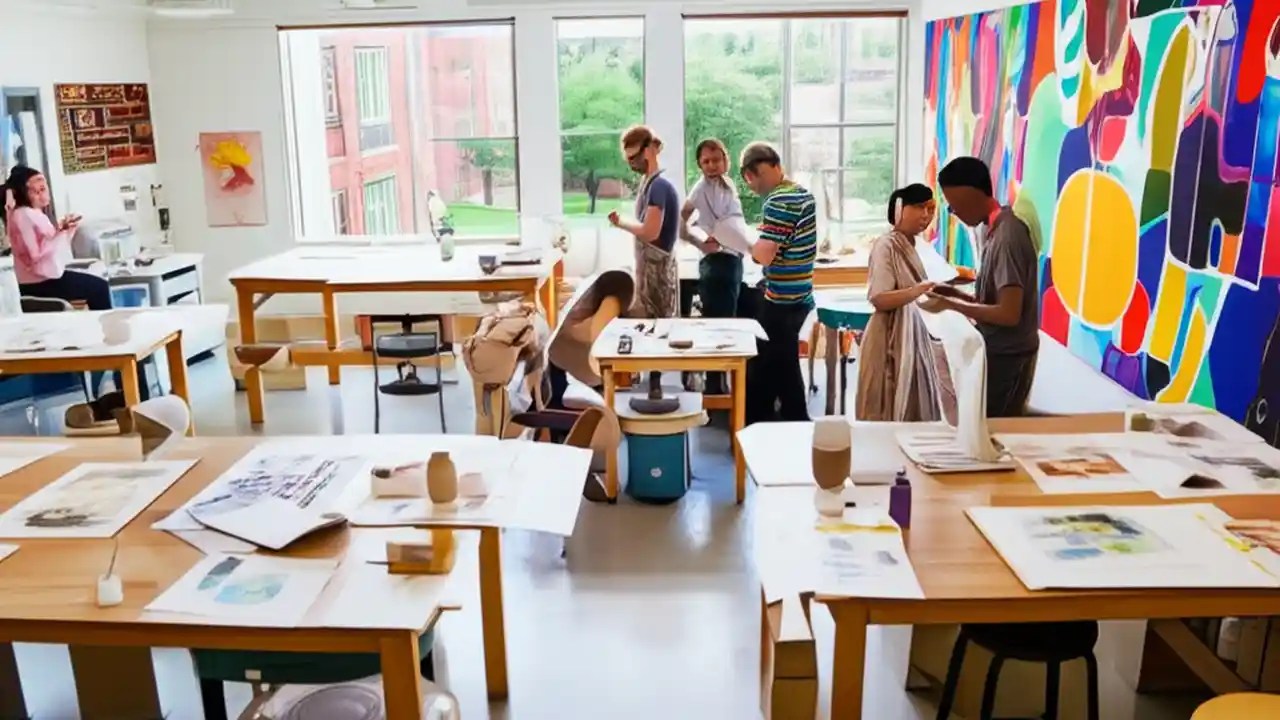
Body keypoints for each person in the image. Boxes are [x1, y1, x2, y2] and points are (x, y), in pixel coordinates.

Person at [929, 156, 1040, 417]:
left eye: (954, 206)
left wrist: (950, 305)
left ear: (970, 195)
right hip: (999, 351)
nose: (954, 213)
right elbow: (992, 302)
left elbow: (1008, 314)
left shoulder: (1007, 237)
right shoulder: (995, 230)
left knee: (993, 430)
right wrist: (953, 293)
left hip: (1009, 356)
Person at [856, 183, 952, 421]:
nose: (926, 215)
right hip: (888, 337)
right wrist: (918, 290)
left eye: (930, 209)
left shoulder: (918, 245)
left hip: (914, 334)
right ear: (899, 209)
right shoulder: (886, 245)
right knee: (886, 408)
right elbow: (879, 298)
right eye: (919, 207)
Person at [740, 142, 815, 424]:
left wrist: (748, 245)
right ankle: (774, 419)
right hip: (800, 292)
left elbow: (765, 253)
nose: (753, 186)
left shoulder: (779, 200)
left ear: (752, 173)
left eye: (751, 179)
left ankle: (789, 422)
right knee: (779, 362)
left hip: (784, 299)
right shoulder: (801, 193)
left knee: (779, 365)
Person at [608, 126, 681, 390]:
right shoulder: (649, 184)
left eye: (634, 157)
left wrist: (621, 223)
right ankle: (651, 383)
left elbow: (651, 231)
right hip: (648, 266)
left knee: (657, 326)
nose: (632, 164)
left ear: (649, 150)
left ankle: (656, 386)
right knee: (648, 324)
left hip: (657, 269)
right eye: (628, 160)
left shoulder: (659, 186)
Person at [681, 138, 744, 395]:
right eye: (705, 162)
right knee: (719, 324)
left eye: (716, 160)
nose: (711, 165)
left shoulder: (728, 185)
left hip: (732, 257)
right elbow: (680, 219)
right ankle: (716, 388)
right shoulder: (701, 188)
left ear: (725, 160)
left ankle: (720, 384)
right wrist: (698, 241)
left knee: (727, 321)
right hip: (717, 261)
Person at [2, 166, 107, 309]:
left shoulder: (34, 214)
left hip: (47, 278)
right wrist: (60, 232)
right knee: (100, 288)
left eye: (44, 188)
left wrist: (67, 230)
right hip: (38, 283)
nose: (43, 195)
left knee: (99, 284)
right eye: (36, 192)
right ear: (23, 194)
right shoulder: (23, 215)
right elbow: (35, 256)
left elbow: (56, 248)